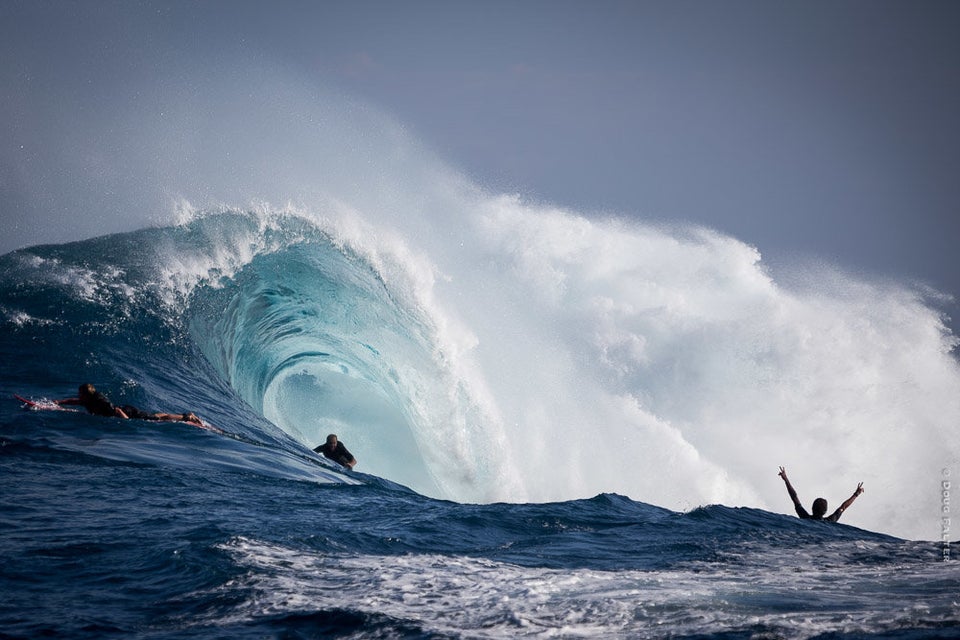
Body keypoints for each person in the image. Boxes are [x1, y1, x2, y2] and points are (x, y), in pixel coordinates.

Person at [55, 383, 205, 427]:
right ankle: (185, 416)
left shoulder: (101, 402)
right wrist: (59, 403)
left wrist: (127, 423)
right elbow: (75, 401)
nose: (79, 396)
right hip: (128, 410)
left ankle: (187, 417)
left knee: (158, 419)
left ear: (87, 394)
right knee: (156, 416)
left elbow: (117, 410)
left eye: (80, 393)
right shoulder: (88, 400)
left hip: (129, 413)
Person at [778, 466, 864, 522]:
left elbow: (794, 498)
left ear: (812, 508)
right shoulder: (830, 521)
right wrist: (856, 494)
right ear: (826, 511)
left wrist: (786, 479)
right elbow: (843, 507)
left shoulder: (805, 517)